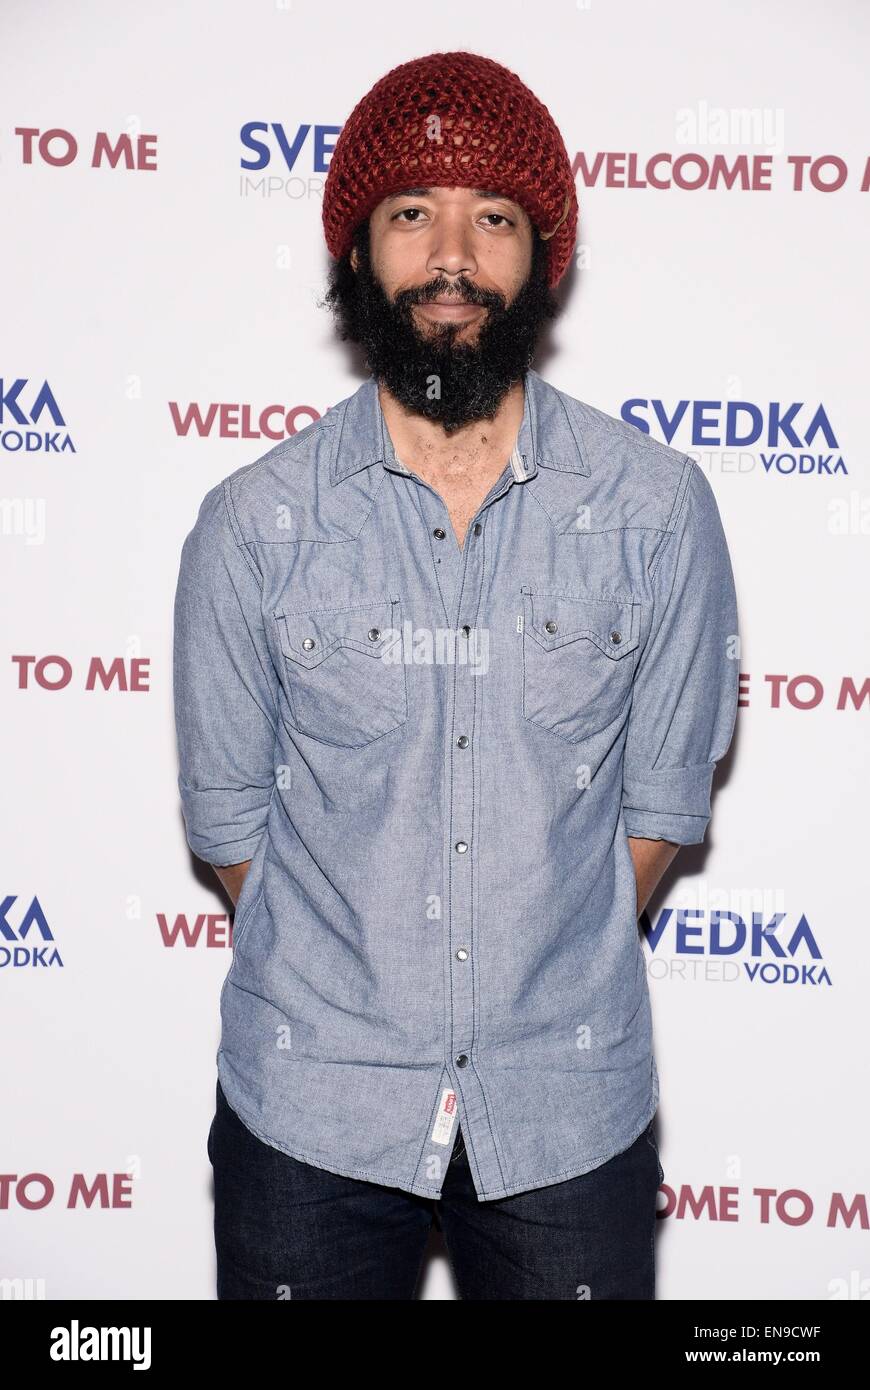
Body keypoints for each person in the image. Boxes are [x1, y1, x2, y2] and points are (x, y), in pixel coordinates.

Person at [173, 50, 739, 1300]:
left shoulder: (658, 510)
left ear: (544, 255)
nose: (451, 257)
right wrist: (376, 975)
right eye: (409, 213)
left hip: (565, 1109)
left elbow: (656, 816)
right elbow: (231, 829)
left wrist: (528, 949)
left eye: (494, 218)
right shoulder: (250, 525)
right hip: (308, 1112)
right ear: (355, 252)